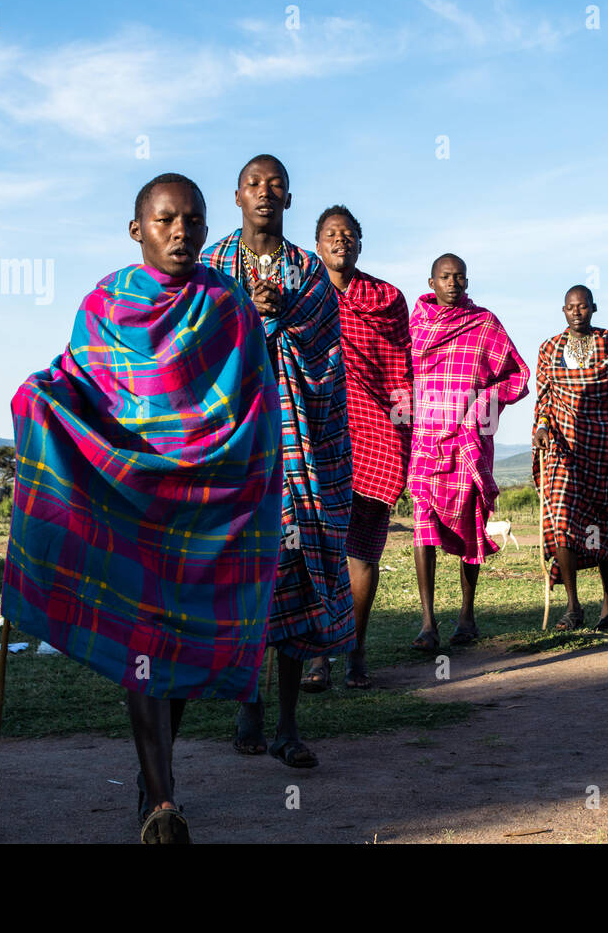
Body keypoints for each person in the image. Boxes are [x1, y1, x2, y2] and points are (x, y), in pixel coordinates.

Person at [1, 173, 282, 843]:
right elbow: (77, 380)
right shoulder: (105, 304)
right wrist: (37, 398)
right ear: (137, 230)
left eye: (193, 220)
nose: (181, 231)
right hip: (128, 503)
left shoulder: (229, 307)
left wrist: (248, 482)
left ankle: (156, 777)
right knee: (143, 645)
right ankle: (160, 797)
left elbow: (258, 406)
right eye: (165, 220)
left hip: (207, 510)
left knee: (176, 646)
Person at [201, 155, 354, 768]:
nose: (265, 193)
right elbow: (193, 346)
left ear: (289, 198)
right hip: (230, 451)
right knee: (239, 582)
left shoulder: (308, 271)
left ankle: (288, 724)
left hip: (294, 452)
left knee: (290, 573)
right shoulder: (211, 266)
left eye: (276, 185)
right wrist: (245, 310)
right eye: (254, 184)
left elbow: (323, 351)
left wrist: (283, 313)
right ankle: (247, 704)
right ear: (237, 195)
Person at [301, 204, 412, 690]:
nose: (340, 240)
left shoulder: (387, 298)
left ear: (361, 244)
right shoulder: (302, 295)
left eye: (348, 234)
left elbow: (402, 372)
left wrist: (405, 436)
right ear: (317, 244)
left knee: (362, 550)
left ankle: (356, 649)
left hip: (378, 433)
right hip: (318, 426)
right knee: (320, 546)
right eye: (331, 234)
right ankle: (318, 656)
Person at [408, 254, 529, 651]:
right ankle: (427, 623)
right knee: (424, 524)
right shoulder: (416, 326)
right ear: (432, 281)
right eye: (445, 277)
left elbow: (518, 374)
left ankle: (466, 615)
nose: (453, 283)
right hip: (426, 438)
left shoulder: (485, 323)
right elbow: (398, 372)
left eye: (459, 277)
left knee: (468, 522)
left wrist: (484, 402)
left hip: (468, 441)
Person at [532, 286, 608, 631]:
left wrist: (602, 428)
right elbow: (544, 398)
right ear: (563, 310)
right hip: (562, 448)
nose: (577, 312)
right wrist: (543, 426)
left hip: (602, 449)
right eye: (571, 308)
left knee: (601, 524)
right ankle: (573, 606)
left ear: (593, 309)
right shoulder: (549, 349)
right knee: (561, 517)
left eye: (583, 307)